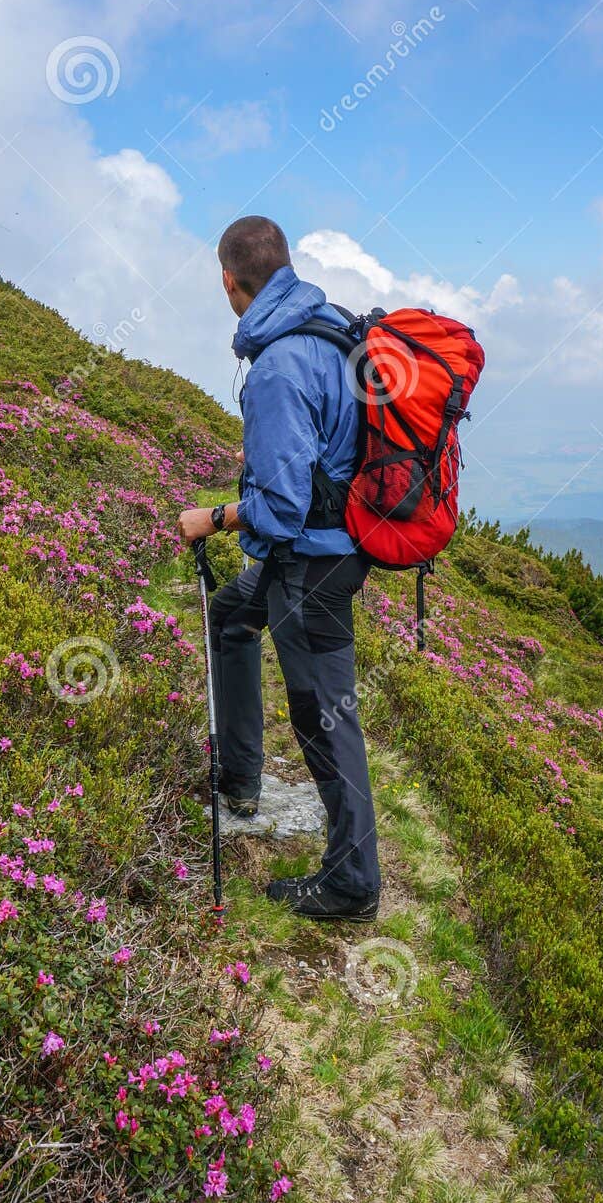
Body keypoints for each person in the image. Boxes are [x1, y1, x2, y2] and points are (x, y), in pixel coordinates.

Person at [177, 216, 380, 921]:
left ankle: (353, 883)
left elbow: (282, 508)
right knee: (231, 615)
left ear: (230, 282)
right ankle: (239, 778)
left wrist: (216, 517)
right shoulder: (328, 323)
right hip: (328, 551)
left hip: (312, 566)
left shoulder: (276, 369)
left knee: (325, 719)